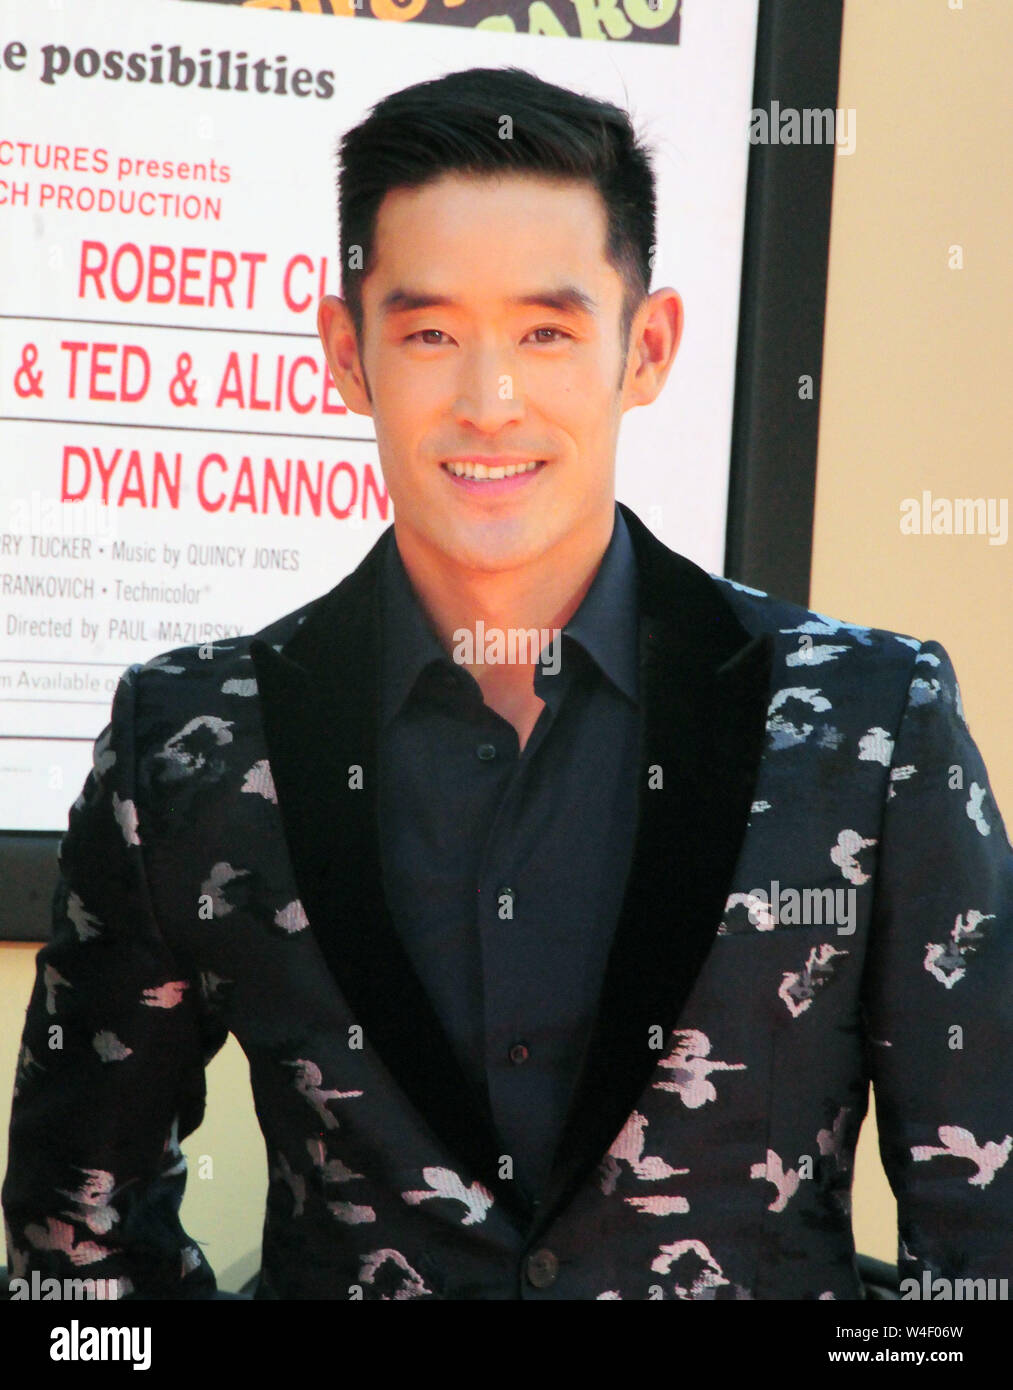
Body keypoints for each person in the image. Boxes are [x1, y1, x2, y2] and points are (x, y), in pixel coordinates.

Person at [4, 66, 1011, 1301]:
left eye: (546, 330)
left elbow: (984, 1246)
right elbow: (73, 1245)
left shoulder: (869, 723)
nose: (488, 403)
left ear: (644, 348)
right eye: (429, 332)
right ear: (347, 353)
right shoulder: (192, 743)